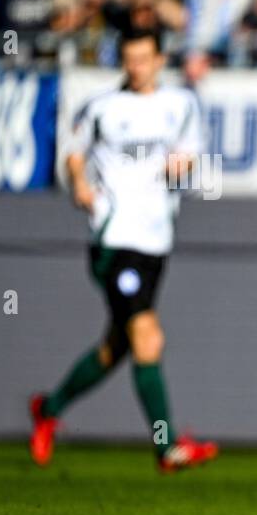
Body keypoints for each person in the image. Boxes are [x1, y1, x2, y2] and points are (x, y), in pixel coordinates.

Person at [28, 28, 219, 473]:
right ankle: (166, 445)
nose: (136, 67)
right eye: (129, 59)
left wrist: (183, 164)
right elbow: (73, 151)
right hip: (115, 240)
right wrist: (78, 182)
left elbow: (191, 153)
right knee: (148, 336)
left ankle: (49, 408)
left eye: (144, 58)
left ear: (158, 61)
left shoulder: (181, 105)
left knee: (117, 346)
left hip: (156, 241)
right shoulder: (104, 108)